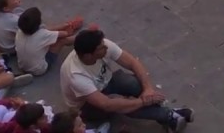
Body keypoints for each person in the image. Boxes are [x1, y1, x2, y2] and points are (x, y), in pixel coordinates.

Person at [59, 28, 192, 131]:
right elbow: (106, 104)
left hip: (106, 82)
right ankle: (168, 116)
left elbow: (133, 63)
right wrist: (141, 102)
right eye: (101, 48)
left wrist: (148, 89)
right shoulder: (76, 75)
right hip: (87, 106)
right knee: (120, 102)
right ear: (89, 55)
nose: (106, 47)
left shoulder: (102, 45)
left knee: (132, 83)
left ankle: (169, 114)